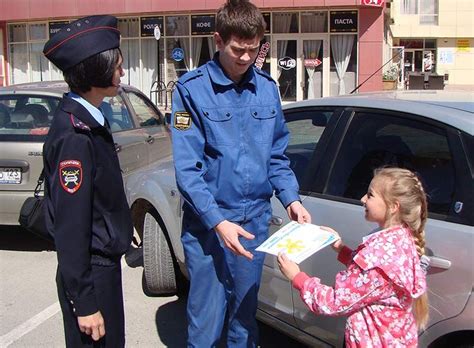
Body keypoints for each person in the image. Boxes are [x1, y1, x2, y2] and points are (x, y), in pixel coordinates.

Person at [171, 0, 311, 346]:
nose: (246, 58)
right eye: (238, 49)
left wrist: (292, 199)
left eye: (253, 50)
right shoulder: (190, 90)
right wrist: (218, 222)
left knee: (245, 321)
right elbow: (188, 170)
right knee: (205, 324)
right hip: (209, 228)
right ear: (218, 41)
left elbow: (277, 156)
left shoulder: (267, 88)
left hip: (252, 226)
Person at [42, 15, 133, 347]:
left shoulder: (90, 121)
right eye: (117, 66)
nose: (122, 73)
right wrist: (85, 302)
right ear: (96, 70)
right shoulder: (75, 136)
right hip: (91, 275)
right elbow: (71, 226)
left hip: (100, 270)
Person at [278, 167, 429, 347]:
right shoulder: (400, 239)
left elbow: (334, 302)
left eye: (370, 195)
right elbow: (373, 282)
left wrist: (297, 277)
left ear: (393, 207)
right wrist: (341, 248)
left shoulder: (378, 256)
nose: (362, 199)